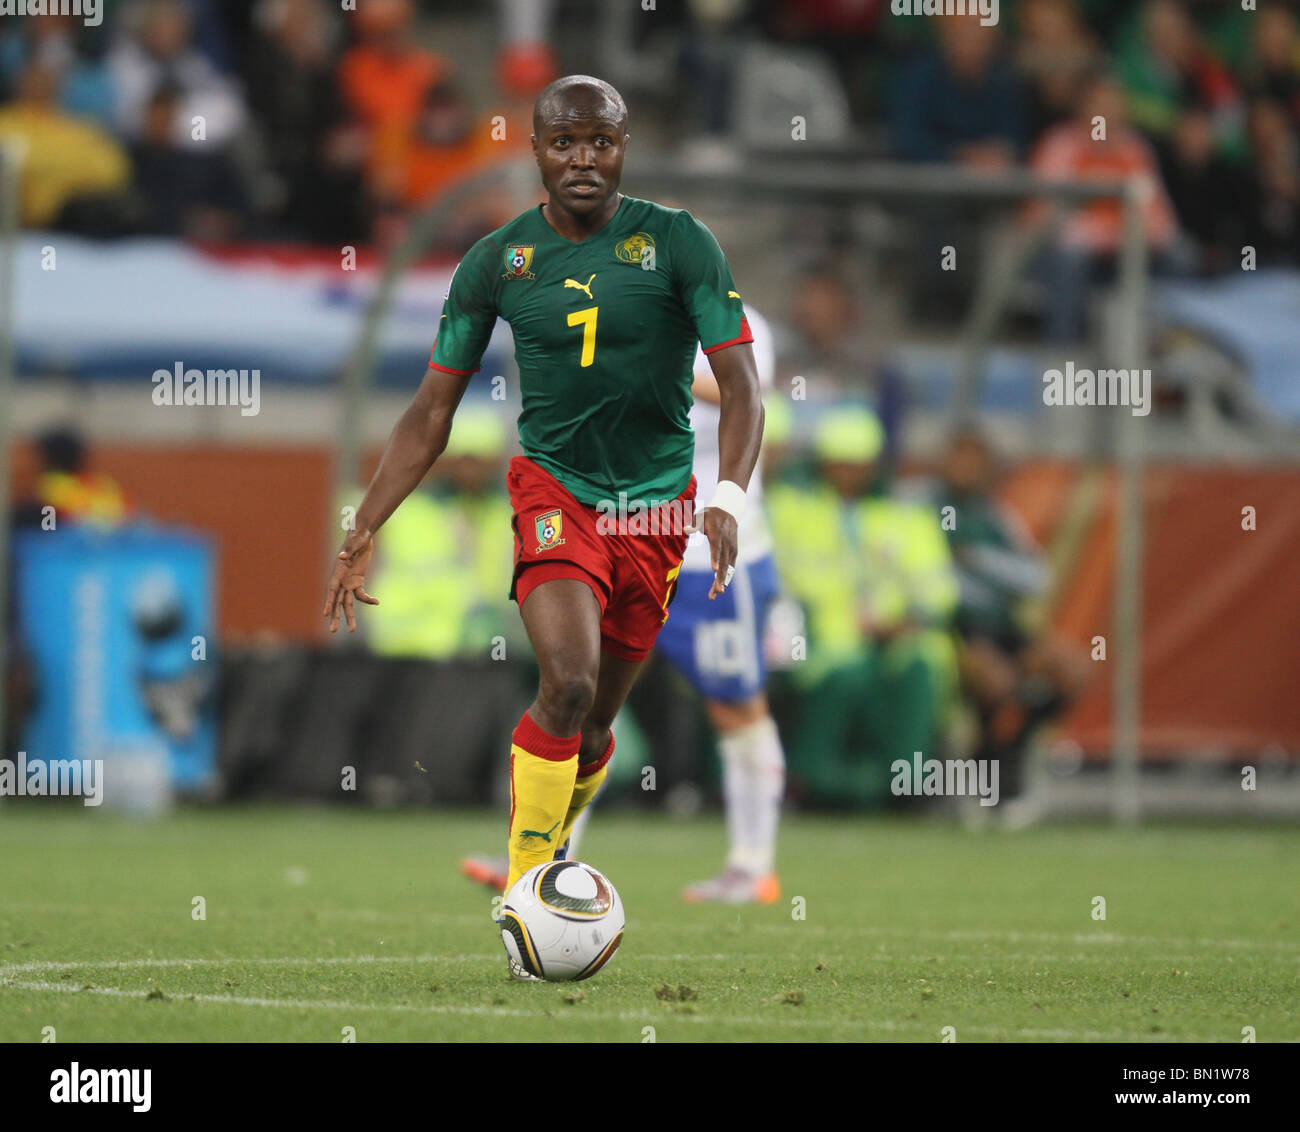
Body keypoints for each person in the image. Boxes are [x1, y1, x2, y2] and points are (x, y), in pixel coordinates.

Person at [322, 75, 764, 976]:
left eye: (600, 141)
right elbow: (431, 408)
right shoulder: (496, 260)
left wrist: (727, 497)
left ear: (623, 146)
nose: (583, 159)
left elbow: (746, 388)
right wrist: (364, 520)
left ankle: (549, 860)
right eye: (564, 142)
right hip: (554, 493)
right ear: (536, 150)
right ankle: (529, 890)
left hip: (658, 509)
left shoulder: (679, 243)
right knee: (565, 681)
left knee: (595, 730)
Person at [462, 310, 787, 905]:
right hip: (622, 537)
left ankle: (752, 865)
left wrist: (648, 362)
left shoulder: (734, 316)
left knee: (735, 705)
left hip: (705, 552)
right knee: (578, 697)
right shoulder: (607, 307)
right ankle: (547, 859)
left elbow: (743, 392)